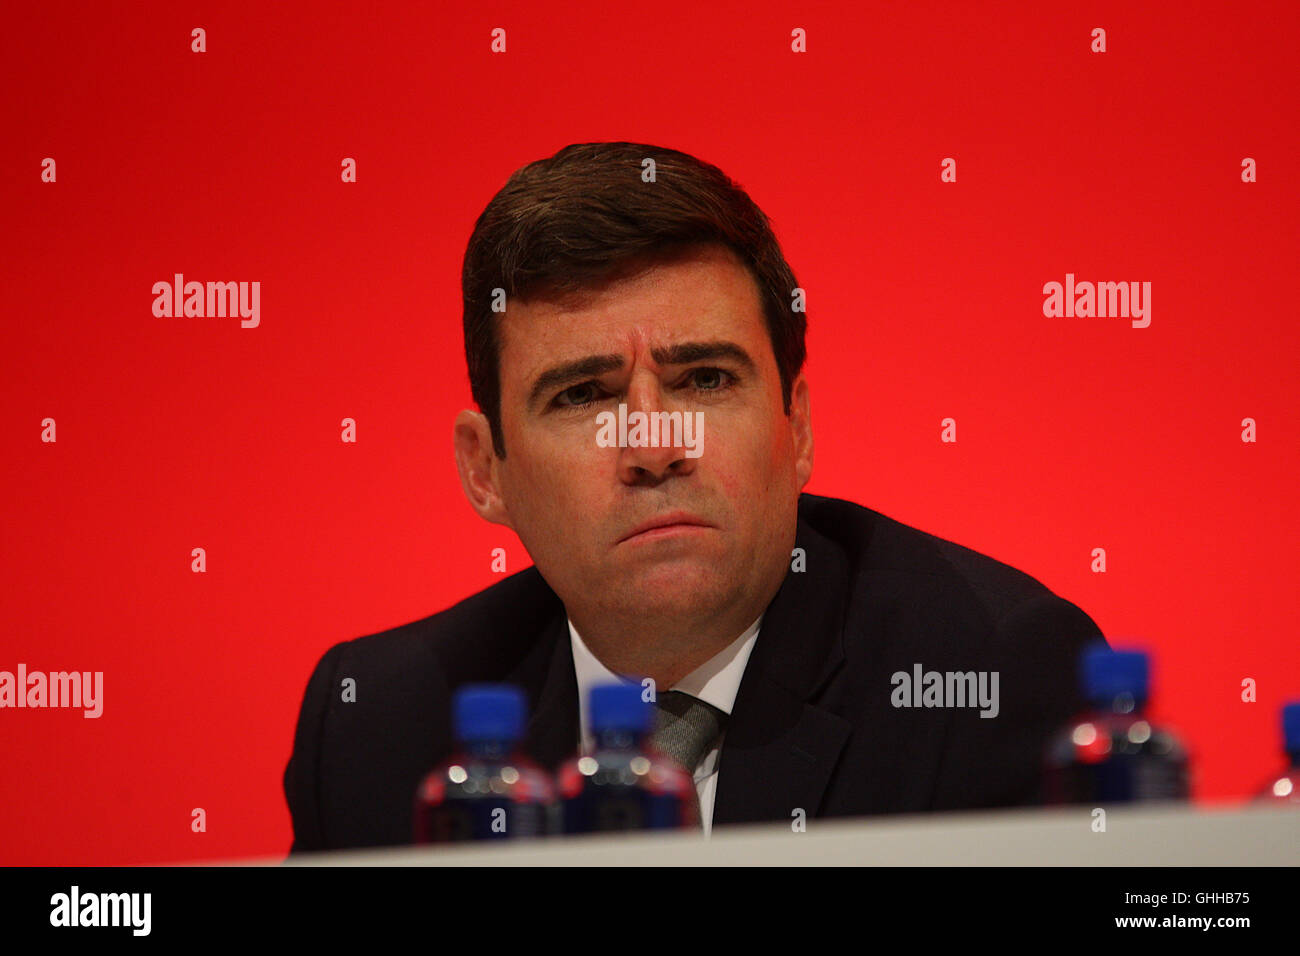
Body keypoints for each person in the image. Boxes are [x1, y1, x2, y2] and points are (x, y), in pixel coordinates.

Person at [282, 141, 1105, 852]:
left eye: (704, 380)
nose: (651, 447)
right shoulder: (377, 727)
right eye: (583, 396)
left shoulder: (987, 678)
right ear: (485, 469)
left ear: (799, 427)